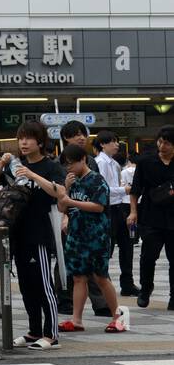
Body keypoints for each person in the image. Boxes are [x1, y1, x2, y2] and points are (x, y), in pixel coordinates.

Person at [0, 120, 66, 350]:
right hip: (17, 232)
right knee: (26, 285)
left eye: (28, 138)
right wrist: (1, 164)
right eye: (20, 138)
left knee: (43, 284)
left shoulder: (50, 166)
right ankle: (33, 331)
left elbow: (59, 192)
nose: (23, 142)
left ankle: (52, 334)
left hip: (39, 232)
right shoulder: (15, 165)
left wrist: (32, 175)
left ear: (40, 141)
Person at [56, 143, 126, 334]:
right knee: (78, 278)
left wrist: (71, 201)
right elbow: (62, 207)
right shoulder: (72, 181)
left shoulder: (97, 180)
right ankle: (76, 319)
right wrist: (66, 189)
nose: (68, 168)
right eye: (65, 165)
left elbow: (99, 206)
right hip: (75, 235)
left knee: (101, 277)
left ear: (82, 160)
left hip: (96, 235)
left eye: (71, 164)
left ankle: (117, 317)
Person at [59, 121, 109, 316]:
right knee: (69, 265)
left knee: (97, 269)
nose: (81, 137)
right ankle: (65, 300)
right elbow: (60, 196)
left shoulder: (91, 162)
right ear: (66, 138)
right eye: (76, 134)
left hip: (93, 224)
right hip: (70, 220)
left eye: (83, 134)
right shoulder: (60, 162)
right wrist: (65, 215)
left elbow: (98, 197)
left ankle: (102, 304)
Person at [127, 124, 174, 309]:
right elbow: (135, 190)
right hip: (150, 216)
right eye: (160, 142)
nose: (162, 146)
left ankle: (173, 296)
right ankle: (146, 289)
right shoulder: (146, 162)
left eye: (168, 143)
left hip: (172, 218)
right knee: (148, 257)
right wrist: (133, 212)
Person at [94, 131, 137, 296]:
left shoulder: (114, 163)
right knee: (107, 248)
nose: (116, 144)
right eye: (112, 141)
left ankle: (127, 283)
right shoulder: (101, 163)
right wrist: (124, 189)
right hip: (108, 209)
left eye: (117, 141)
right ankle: (103, 285)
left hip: (119, 208)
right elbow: (103, 190)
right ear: (102, 144)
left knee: (127, 246)